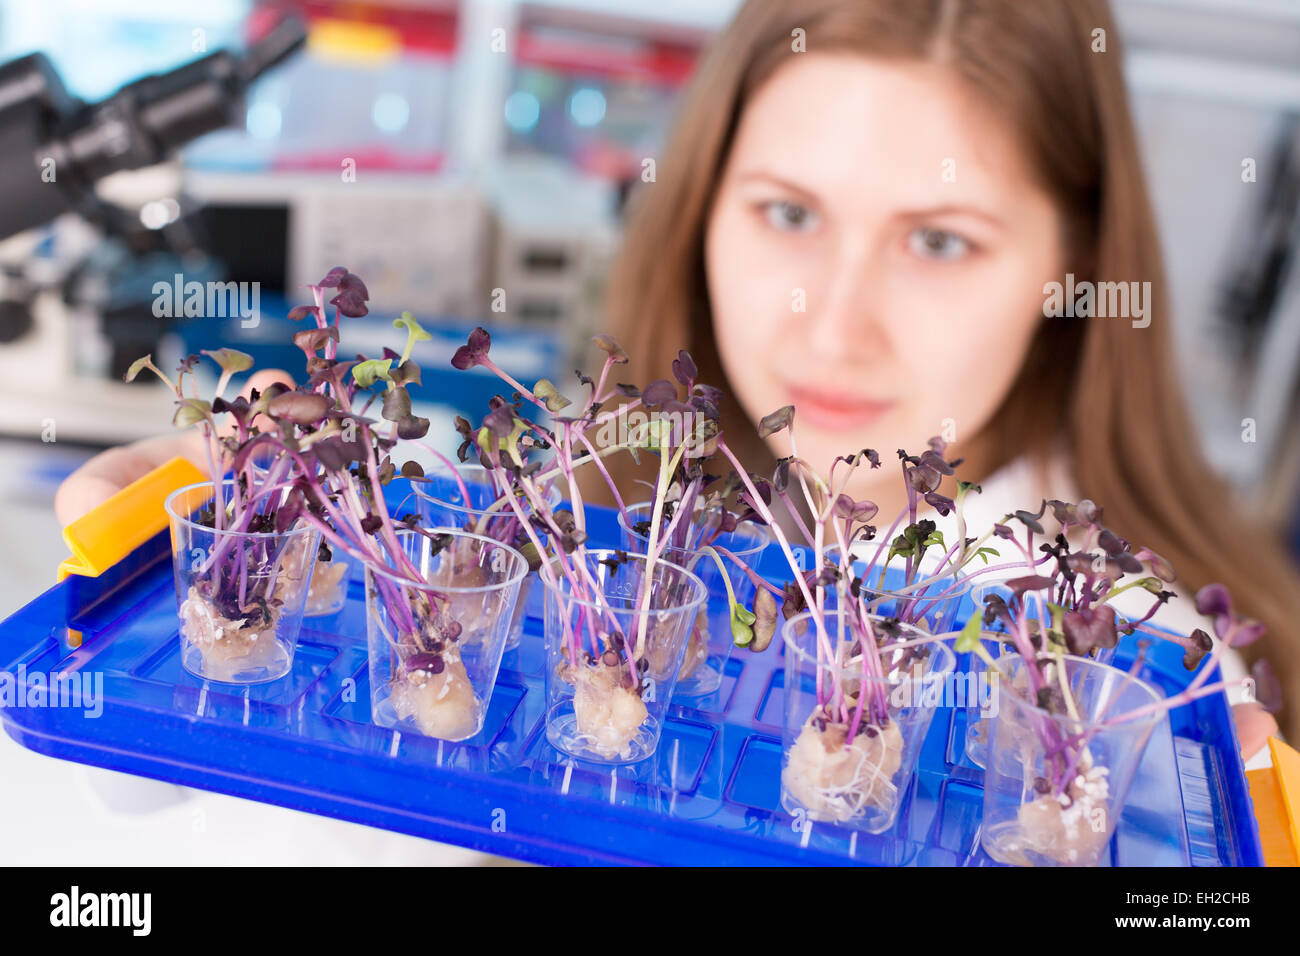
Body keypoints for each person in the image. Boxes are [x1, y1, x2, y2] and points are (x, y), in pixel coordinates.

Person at [52, 0, 1288, 850]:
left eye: (939, 239)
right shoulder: (600, 514)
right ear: (700, 212)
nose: (833, 322)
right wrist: (201, 556)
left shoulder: (1154, 690)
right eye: (788, 215)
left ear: (1073, 267)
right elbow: (203, 778)